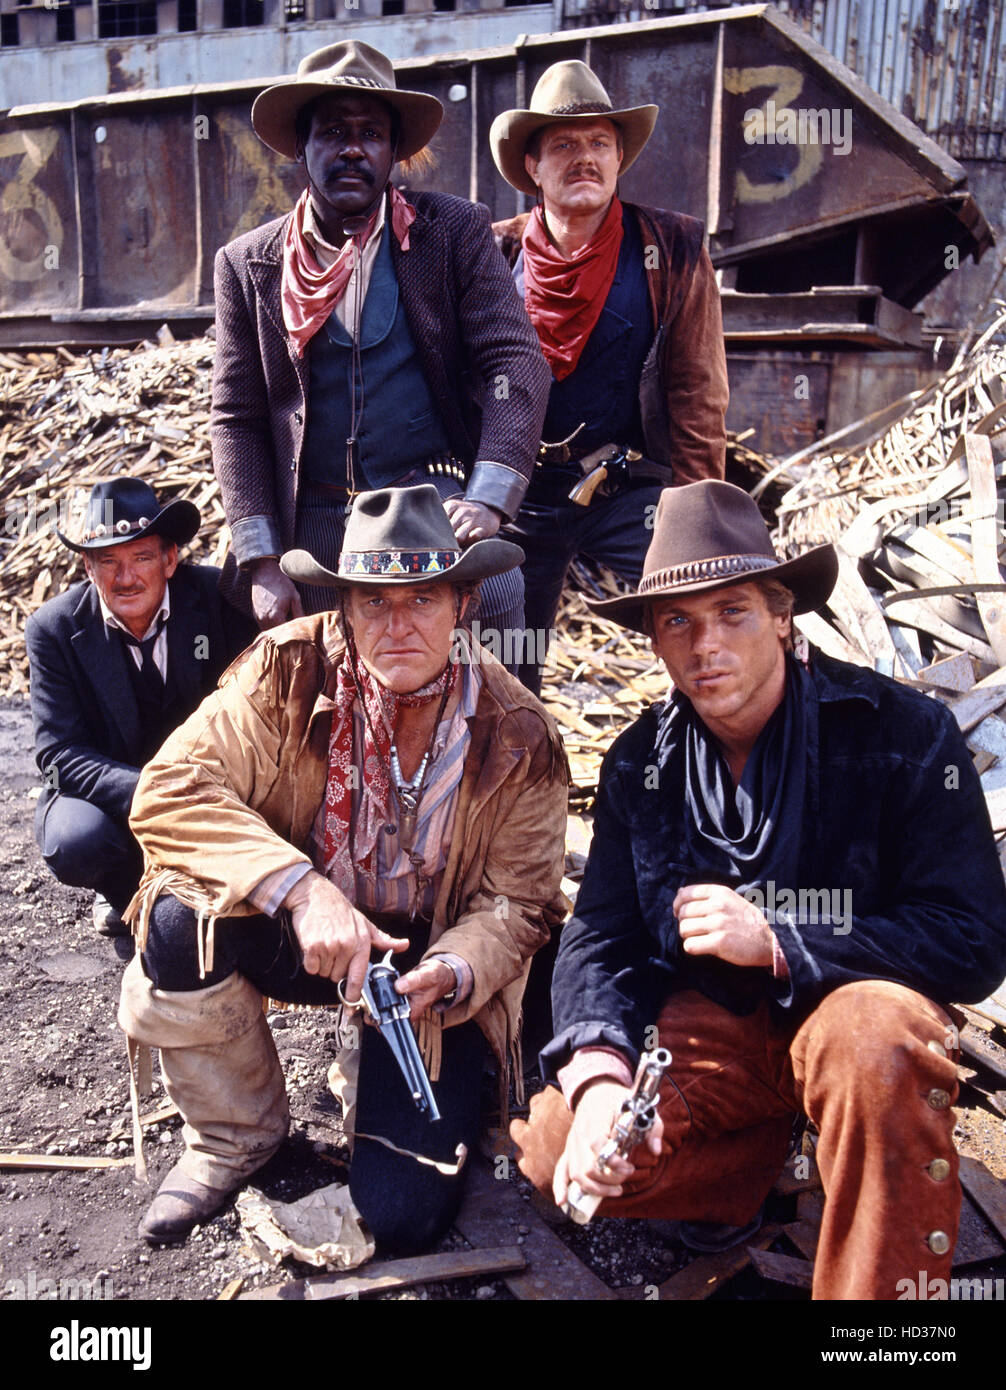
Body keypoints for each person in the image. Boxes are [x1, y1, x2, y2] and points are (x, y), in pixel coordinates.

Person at [512, 480, 1006, 1300]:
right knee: (556, 1151)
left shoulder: (899, 733)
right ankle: (755, 1166)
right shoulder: (642, 762)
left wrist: (780, 937)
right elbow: (601, 936)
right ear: (654, 640)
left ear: (783, 616)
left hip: (853, 1014)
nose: (706, 645)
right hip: (719, 1026)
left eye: (732, 612)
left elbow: (972, 939)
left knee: (874, 1045)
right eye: (678, 622)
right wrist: (599, 1078)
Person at [117, 484, 569, 1253]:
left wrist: (454, 970)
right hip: (307, 932)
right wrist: (299, 889)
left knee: (402, 1213)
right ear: (345, 608)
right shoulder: (286, 668)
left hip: (421, 964)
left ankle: (435, 1077)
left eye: (421, 599)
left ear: (462, 604)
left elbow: (521, 903)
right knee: (177, 916)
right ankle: (235, 1138)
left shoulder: (519, 732)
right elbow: (171, 789)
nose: (397, 626)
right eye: (373, 602)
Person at [212, 40, 550, 656]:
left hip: (425, 496)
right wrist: (260, 558)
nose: (351, 149)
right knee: (294, 649)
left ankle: (508, 723)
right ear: (301, 147)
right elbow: (237, 415)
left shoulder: (451, 231)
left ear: (394, 151)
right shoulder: (248, 263)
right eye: (332, 132)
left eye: (370, 133)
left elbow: (515, 358)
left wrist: (488, 496)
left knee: (496, 594)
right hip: (313, 511)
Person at [490, 60, 729, 692]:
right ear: (532, 166)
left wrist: (699, 521)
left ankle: (710, 739)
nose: (585, 159)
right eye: (564, 145)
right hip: (517, 500)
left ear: (619, 158)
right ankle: (522, 753)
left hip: (626, 491)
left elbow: (697, 395)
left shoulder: (670, 247)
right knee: (503, 669)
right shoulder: (492, 254)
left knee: (707, 607)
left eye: (600, 143)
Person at [25, 478, 255, 936]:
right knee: (76, 840)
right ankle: (124, 890)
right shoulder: (53, 629)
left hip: (206, 786)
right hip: (115, 798)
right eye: (109, 562)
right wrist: (154, 790)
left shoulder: (216, 597)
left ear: (170, 560)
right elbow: (58, 756)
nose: (126, 578)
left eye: (142, 558)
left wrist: (211, 786)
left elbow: (253, 706)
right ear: (88, 568)